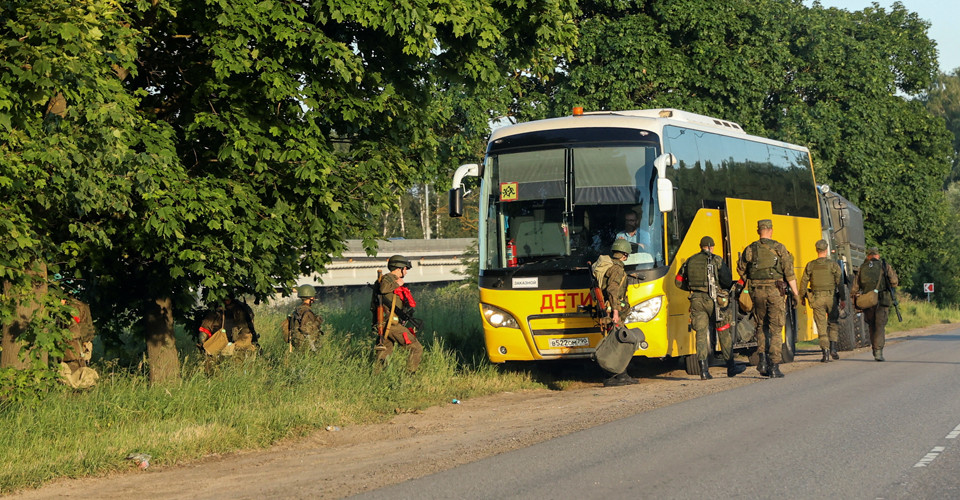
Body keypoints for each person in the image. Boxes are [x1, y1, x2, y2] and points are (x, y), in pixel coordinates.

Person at [675, 236, 746, 379]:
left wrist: (691, 289)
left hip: (696, 300)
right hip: (715, 300)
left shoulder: (690, 261)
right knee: (723, 331)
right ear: (712, 247)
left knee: (701, 333)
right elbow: (726, 280)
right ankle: (731, 367)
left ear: (700, 246)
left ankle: (703, 370)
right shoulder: (717, 260)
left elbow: (678, 282)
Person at [736, 219, 799, 378]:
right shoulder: (779, 248)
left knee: (761, 326)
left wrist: (752, 279)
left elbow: (742, 270)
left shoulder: (750, 249)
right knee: (776, 329)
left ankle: (762, 360)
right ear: (771, 230)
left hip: (756, 292)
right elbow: (789, 274)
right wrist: (796, 294)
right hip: (775, 292)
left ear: (758, 231)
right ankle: (774, 366)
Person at [599, 239, 640, 386]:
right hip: (613, 311)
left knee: (615, 343)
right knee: (622, 342)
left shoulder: (609, 266)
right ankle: (619, 376)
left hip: (608, 309)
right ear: (624, 255)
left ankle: (615, 376)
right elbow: (613, 290)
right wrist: (616, 313)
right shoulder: (617, 269)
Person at [373, 255, 423, 373]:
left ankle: (377, 378)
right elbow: (383, 289)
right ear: (399, 268)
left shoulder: (390, 279)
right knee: (416, 348)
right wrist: (398, 284)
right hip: (391, 324)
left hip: (388, 323)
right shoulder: (389, 279)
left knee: (384, 353)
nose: (406, 271)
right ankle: (409, 376)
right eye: (405, 268)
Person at [852, 247, 899, 361]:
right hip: (881, 300)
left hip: (867, 301)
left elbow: (854, 288)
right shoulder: (884, 265)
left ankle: (874, 349)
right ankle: (878, 352)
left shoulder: (862, 267)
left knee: (872, 326)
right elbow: (894, 282)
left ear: (868, 256)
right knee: (880, 326)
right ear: (877, 255)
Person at [798, 240, 842, 362]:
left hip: (817, 298)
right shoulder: (833, 265)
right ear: (826, 249)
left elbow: (803, 282)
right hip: (831, 298)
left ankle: (825, 353)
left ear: (816, 250)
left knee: (821, 326)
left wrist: (801, 297)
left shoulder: (810, 265)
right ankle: (833, 348)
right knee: (833, 323)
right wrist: (842, 298)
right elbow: (840, 283)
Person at [285, 285, 325, 351]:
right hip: (306, 344)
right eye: (313, 297)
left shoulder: (297, 310)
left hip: (297, 341)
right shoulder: (307, 312)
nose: (314, 299)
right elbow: (306, 329)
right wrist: (317, 322)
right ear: (310, 297)